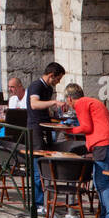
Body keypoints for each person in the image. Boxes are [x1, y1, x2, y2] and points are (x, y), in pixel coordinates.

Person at [60, 84, 109, 218]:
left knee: (102, 183)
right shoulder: (90, 101)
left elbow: (87, 127)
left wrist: (68, 130)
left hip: (103, 144)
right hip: (107, 143)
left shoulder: (81, 103)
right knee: (99, 183)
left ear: (69, 98)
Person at [26, 62, 66, 210]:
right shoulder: (36, 86)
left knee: (47, 165)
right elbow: (34, 104)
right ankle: (38, 203)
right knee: (38, 165)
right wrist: (54, 102)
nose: (58, 82)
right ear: (51, 76)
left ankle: (46, 200)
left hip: (46, 127)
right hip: (36, 129)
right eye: (58, 79)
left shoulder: (48, 88)